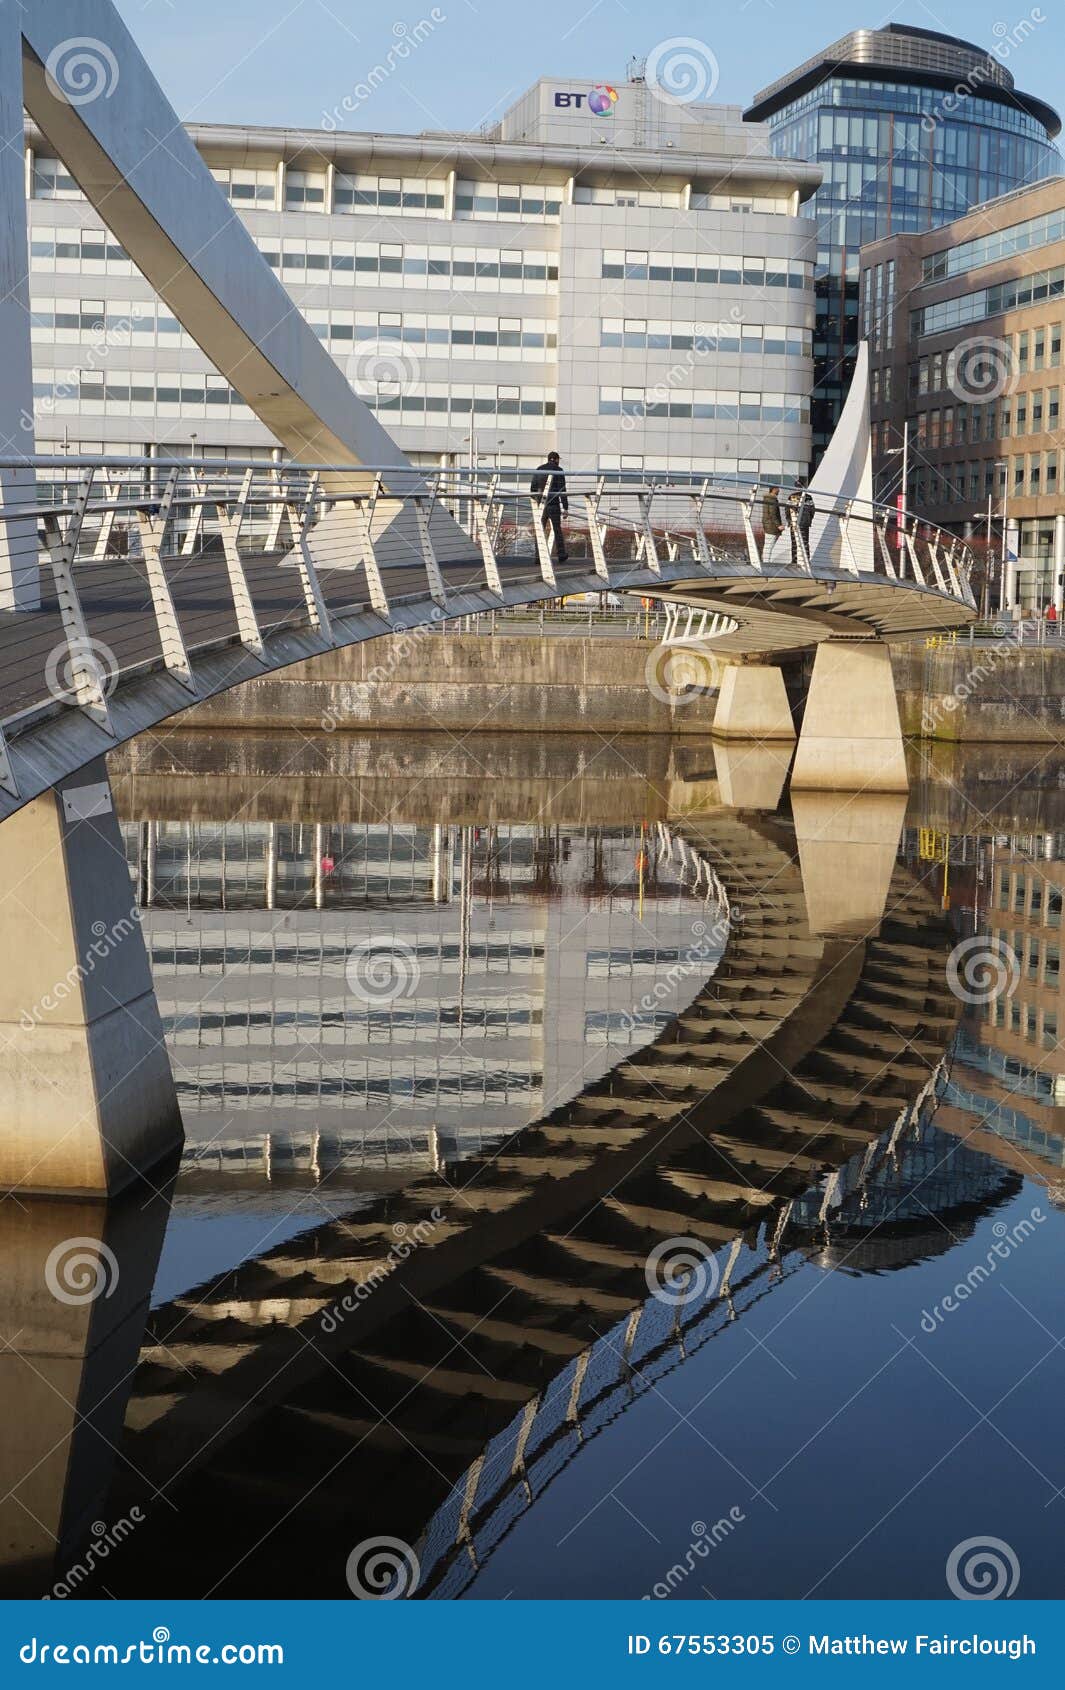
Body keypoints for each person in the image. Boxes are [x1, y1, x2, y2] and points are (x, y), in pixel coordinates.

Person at [531, 451, 569, 563]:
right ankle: (561, 554)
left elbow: (533, 487)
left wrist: (537, 501)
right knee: (557, 530)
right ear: (556, 459)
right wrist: (565, 507)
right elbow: (562, 490)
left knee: (540, 530)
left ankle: (538, 557)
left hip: (541, 505)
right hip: (554, 504)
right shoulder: (559, 470)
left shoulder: (539, 469)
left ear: (548, 459)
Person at [789, 478, 815, 564]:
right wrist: (809, 519)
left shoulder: (791, 496)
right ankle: (806, 560)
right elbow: (812, 510)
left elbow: (787, 510)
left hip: (794, 522)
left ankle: (795, 561)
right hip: (804, 523)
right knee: (805, 542)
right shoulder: (808, 497)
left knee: (794, 542)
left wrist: (789, 521)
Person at [761, 486, 783, 564]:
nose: (779, 490)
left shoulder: (767, 498)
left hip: (767, 524)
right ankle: (767, 563)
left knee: (767, 544)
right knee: (769, 545)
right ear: (773, 490)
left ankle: (765, 562)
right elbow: (773, 514)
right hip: (771, 525)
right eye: (778, 489)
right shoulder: (772, 499)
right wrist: (778, 525)